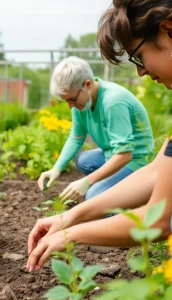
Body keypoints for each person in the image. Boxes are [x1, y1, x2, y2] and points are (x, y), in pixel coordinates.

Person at [26, 0, 172, 272]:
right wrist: (68, 214)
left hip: (131, 160)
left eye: (137, 56)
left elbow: (158, 219)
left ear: (168, 30)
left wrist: (73, 230)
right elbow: (159, 171)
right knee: (86, 164)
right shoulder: (80, 105)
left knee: (94, 193)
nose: (139, 71)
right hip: (139, 166)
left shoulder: (113, 100)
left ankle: (118, 215)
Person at [38, 56, 154, 201]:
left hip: (136, 161)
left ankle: (133, 194)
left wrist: (87, 182)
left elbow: (125, 155)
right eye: (66, 101)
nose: (70, 105)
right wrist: (56, 168)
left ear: (87, 84)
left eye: (71, 99)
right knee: (84, 160)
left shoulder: (113, 101)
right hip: (112, 154)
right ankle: (111, 186)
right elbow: (76, 137)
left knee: (93, 197)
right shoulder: (80, 103)